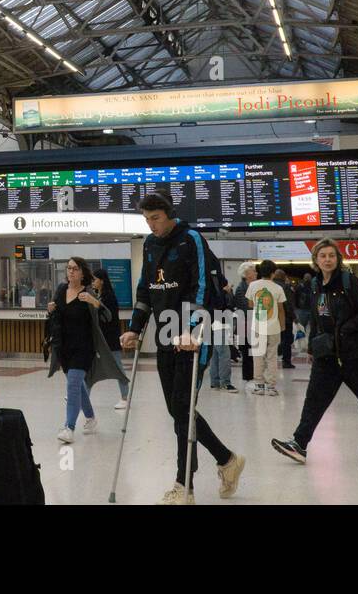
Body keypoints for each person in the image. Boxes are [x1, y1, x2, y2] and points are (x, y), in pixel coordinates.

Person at [120, 192, 244, 505]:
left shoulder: (191, 239)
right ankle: (227, 460)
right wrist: (134, 328)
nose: (151, 225)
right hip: (164, 335)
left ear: (169, 214)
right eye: (147, 219)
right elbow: (145, 290)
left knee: (182, 408)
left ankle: (183, 485)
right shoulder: (149, 244)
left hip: (193, 334)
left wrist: (190, 328)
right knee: (178, 411)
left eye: (156, 218)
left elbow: (200, 285)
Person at [270, 239, 358, 466]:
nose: (328, 260)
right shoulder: (315, 285)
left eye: (331, 255)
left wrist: (343, 330)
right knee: (314, 399)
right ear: (316, 261)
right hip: (327, 354)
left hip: (354, 355)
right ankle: (299, 443)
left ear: (337, 259)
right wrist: (312, 346)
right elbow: (315, 318)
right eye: (323, 256)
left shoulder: (349, 282)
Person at [47, 258, 124, 443]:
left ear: (83, 273)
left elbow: (108, 316)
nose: (71, 272)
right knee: (79, 386)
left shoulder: (88, 292)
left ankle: (69, 427)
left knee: (73, 384)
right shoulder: (60, 290)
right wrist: (50, 310)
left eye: (75, 269)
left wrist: (94, 302)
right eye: (69, 268)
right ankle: (90, 418)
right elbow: (56, 315)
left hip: (84, 348)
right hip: (64, 348)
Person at [91, 268, 134, 408]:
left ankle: (125, 397)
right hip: (101, 339)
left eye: (95, 279)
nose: (93, 282)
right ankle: (80, 394)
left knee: (118, 368)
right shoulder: (100, 296)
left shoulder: (108, 297)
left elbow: (108, 318)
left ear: (102, 281)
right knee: (89, 368)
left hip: (110, 340)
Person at [245, 260, 285, 395]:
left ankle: (259, 386)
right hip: (274, 327)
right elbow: (280, 309)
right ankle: (271, 386)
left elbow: (250, 304)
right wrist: (283, 325)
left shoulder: (253, 285)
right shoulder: (278, 288)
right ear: (273, 273)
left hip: (257, 326)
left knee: (258, 356)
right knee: (272, 357)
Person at [207, 267, 239, 394]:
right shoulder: (215, 282)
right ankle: (225, 383)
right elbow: (219, 303)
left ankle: (215, 381)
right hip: (218, 321)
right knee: (224, 353)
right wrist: (225, 291)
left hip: (213, 321)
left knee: (215, 353)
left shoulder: (210, 280)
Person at [275, 269, 297, 369]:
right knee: (287, 340)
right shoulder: (285, 287)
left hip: (272, 318)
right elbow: (288, 304)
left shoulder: (271, 286)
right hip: (285, 319)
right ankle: (286, 361)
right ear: (284, 277)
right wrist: (294, 317)